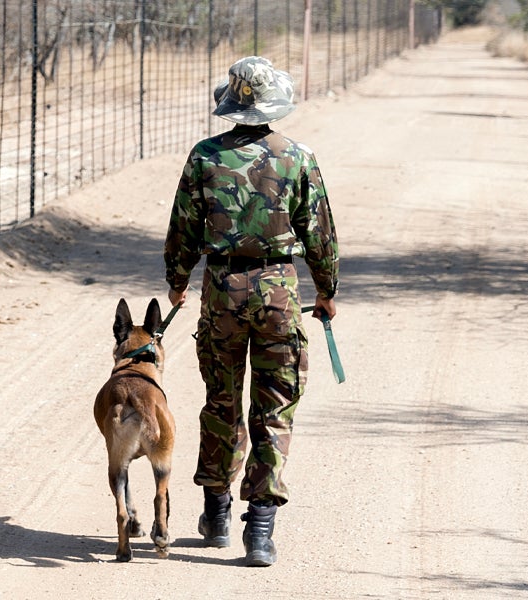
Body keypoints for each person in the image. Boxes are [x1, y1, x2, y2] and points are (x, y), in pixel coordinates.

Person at [163, 56, 338, 567]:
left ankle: (215, 512)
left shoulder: (203, 157)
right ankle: (260, 530)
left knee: (221, 401)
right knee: (275, 407)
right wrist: (326, 289)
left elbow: (183, 228)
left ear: (231, 102)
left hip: (221, 289)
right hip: (279, 291)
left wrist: (177, 281)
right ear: (274, 104)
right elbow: (320, 233)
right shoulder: (299, 157)